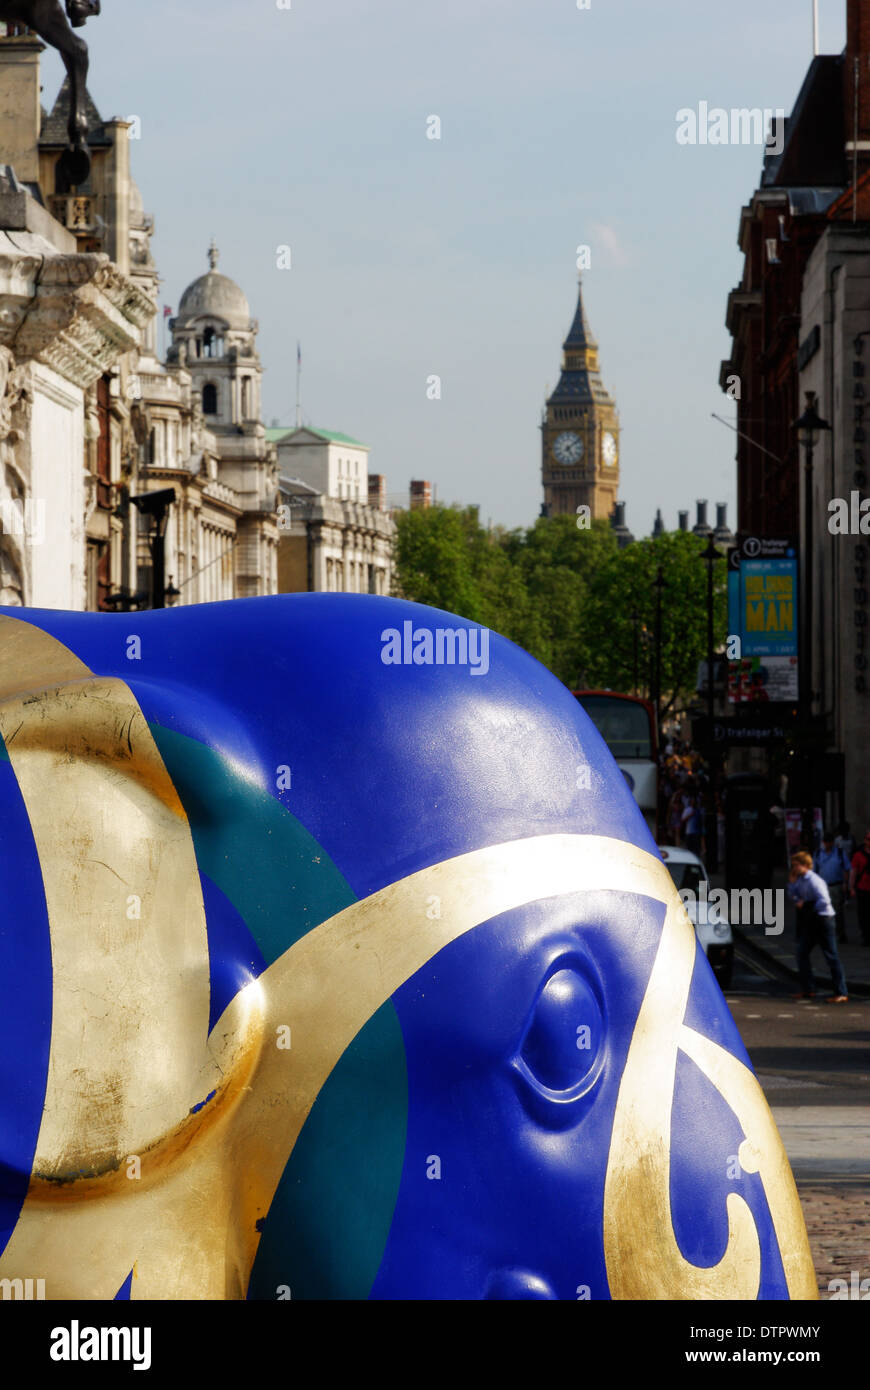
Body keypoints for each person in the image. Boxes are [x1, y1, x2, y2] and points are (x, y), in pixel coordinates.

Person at [787, 851, 848, 1002]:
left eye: (796, 865)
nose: (793, 868)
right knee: (802, 953)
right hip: (812, 920)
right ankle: (809, 989)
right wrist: (792, 882)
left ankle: (841, 993)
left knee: (831, 956)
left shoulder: (815, 881)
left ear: (805, 865)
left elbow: (825, 900)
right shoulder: (800, 880)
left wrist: (807, 905)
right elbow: (793, 896)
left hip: (823, 920)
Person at [816, 830, 851, 944]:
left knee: (837, 912)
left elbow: (846, 869)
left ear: (832, 843)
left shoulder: (839, 853)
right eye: (825, 842)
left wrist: (846, 883)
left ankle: (840, 933)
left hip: (836, 886)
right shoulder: (818, 853)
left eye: (828, 842)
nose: (826, 844)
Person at [848, 829, 870, 947]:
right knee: (863, 914)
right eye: (869, 839)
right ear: (865, 840)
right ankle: (866, 936)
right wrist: (851, 888)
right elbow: (853, 872)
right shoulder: (858, 855)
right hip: (863, 888)